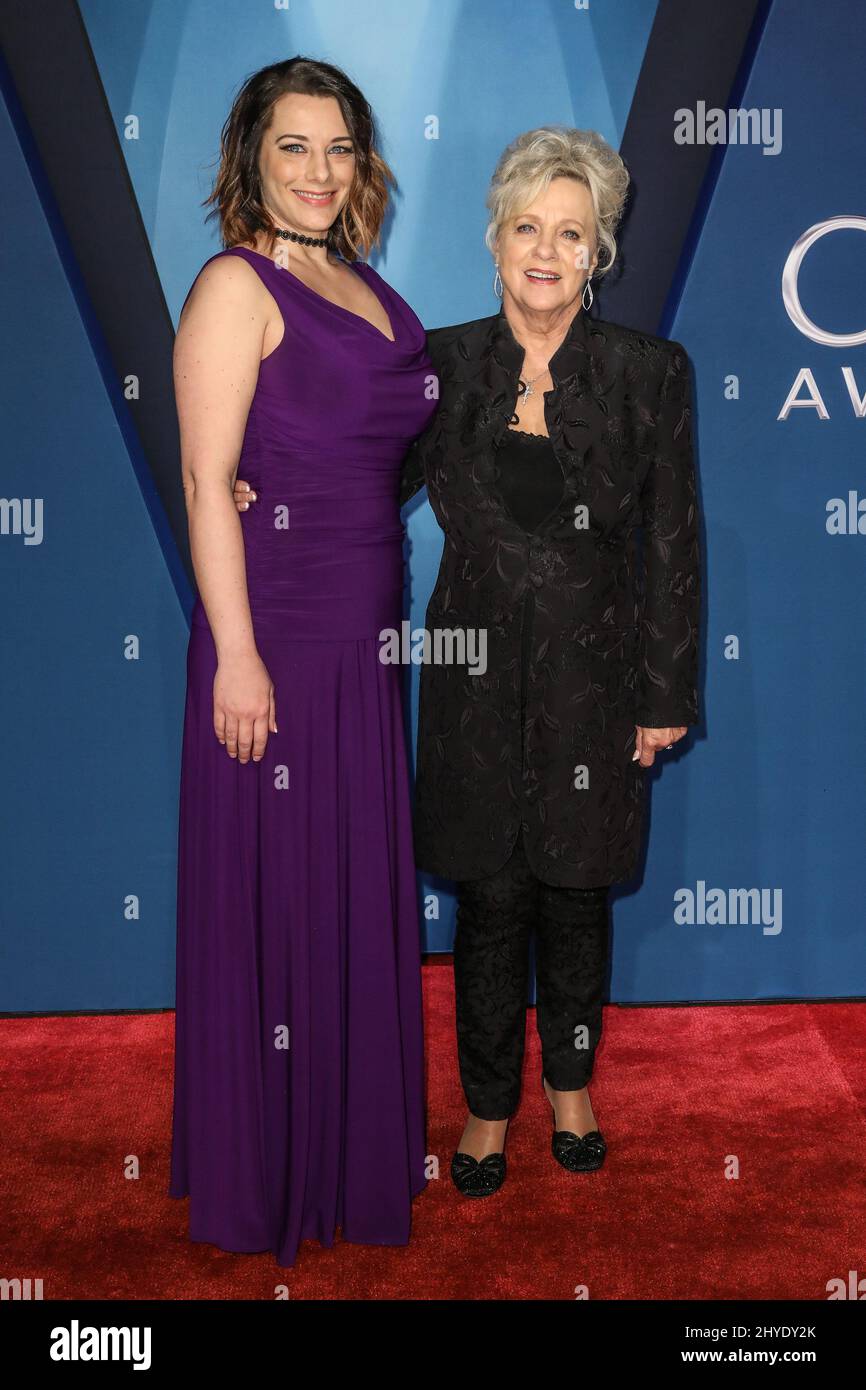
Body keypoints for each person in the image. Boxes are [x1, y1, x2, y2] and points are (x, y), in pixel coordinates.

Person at [234, 124, 701, 1200]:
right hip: (470, 689)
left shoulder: (646, 373)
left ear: (599, 253)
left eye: (570, 233)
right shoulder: (440, 365)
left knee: (575, 900)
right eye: (527, 227)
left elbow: (671, 539)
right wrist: (259, 487)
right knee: (488, 903)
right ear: (494, 240)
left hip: (598, 685)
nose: (545, 251)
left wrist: (663, 692)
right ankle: (488, 1108)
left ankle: (572, 1093)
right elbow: (354, 467)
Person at [169, 57, 436, 1265]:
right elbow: (202, 477)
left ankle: (345, 1147)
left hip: (366, 643)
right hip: (273, 635)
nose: (320, 171)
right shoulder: (236, 284)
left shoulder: (361, 280)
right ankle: (270, 1166)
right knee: (280, 890)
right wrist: (235, 655)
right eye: (293, 147)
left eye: (338, 147)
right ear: (250, 158)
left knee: (350, 886)